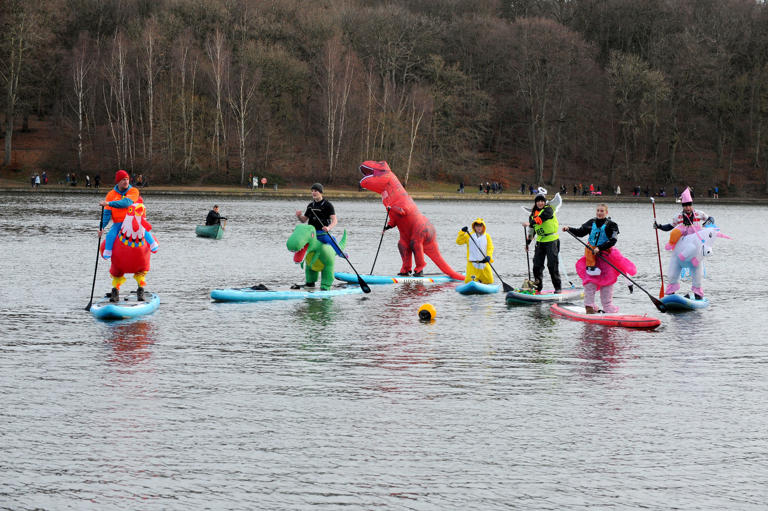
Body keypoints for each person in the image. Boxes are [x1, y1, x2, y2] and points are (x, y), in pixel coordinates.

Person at [563, 204, 636, 313]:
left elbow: (613, 240)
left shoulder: (612, 225)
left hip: (606, 257)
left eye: (602, 211)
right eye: (598, 211)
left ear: (606, 212)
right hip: (591, 258)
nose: (599, 213)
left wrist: (600, 248)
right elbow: (581, 232)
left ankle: (608, 307)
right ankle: (589, 306)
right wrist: (569, 229)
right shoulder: (591, 222)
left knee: (607, 283)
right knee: (589, 282)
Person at [653, 186, 710, 299]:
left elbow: (709, 220)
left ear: (692, 204)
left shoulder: (699, 214)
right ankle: (670, 293)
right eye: (685, 205)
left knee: (696, 272)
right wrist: (659, 226)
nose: (687, 208)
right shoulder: (678, 216)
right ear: (682, 206)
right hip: (681, 248)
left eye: (689, 205)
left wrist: (709, 223)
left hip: (695, 250)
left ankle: (698, 294)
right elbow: (670, 226)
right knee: (673, 271)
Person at [295, 183, 345, 275]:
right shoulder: (310, 205)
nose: (313, 193)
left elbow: (335, 220)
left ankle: (341, 253)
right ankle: (298, 258)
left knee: (332, 239)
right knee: (302, 242)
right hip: (312, 234)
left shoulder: (328, 205)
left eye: (316, 191)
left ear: (321, 192)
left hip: (323, 233)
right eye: (312, 191)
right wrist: (299, 216)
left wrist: (328, 228)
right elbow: (303, 220)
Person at [524, 192, 561, 293]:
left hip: (552, 241)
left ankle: (558, 288)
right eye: (538, 201)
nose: (540, 203)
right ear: (535, 203)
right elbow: (532, 231)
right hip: (540, 242)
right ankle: (538, 288)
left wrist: (530, 223)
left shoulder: (549, 210)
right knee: (537, 266)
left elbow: (541, 219)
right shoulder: (532, 215)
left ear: (545, 202)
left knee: (551, 265)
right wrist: (527, 243)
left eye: (542, 201)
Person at [99, 170, 140, 260]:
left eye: (127, 179)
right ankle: (107, 252)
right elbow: (106, 214)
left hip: (131, 222)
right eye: (123, 180)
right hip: (118, 223)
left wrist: (109, 203)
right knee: (110, 235)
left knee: (144, 231)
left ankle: (153, 244)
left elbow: (126, 203)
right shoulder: (110, 194)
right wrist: (101, 227)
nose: (126, 182)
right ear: (118, 182)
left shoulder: (134, 191)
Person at [456, 218, 494, 284]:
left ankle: (481, 281)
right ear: (474, 227)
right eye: (477, 226)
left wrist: (489, 256)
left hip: (484, 263)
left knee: (489, 281)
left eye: (480, 226)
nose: (479, 228)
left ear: (483, 227)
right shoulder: (469, 235)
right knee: (468, 281)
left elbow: (490, 248)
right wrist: (462, 232)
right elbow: (459, 242)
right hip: (472, 264)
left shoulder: (487, 236)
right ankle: (475, 281)